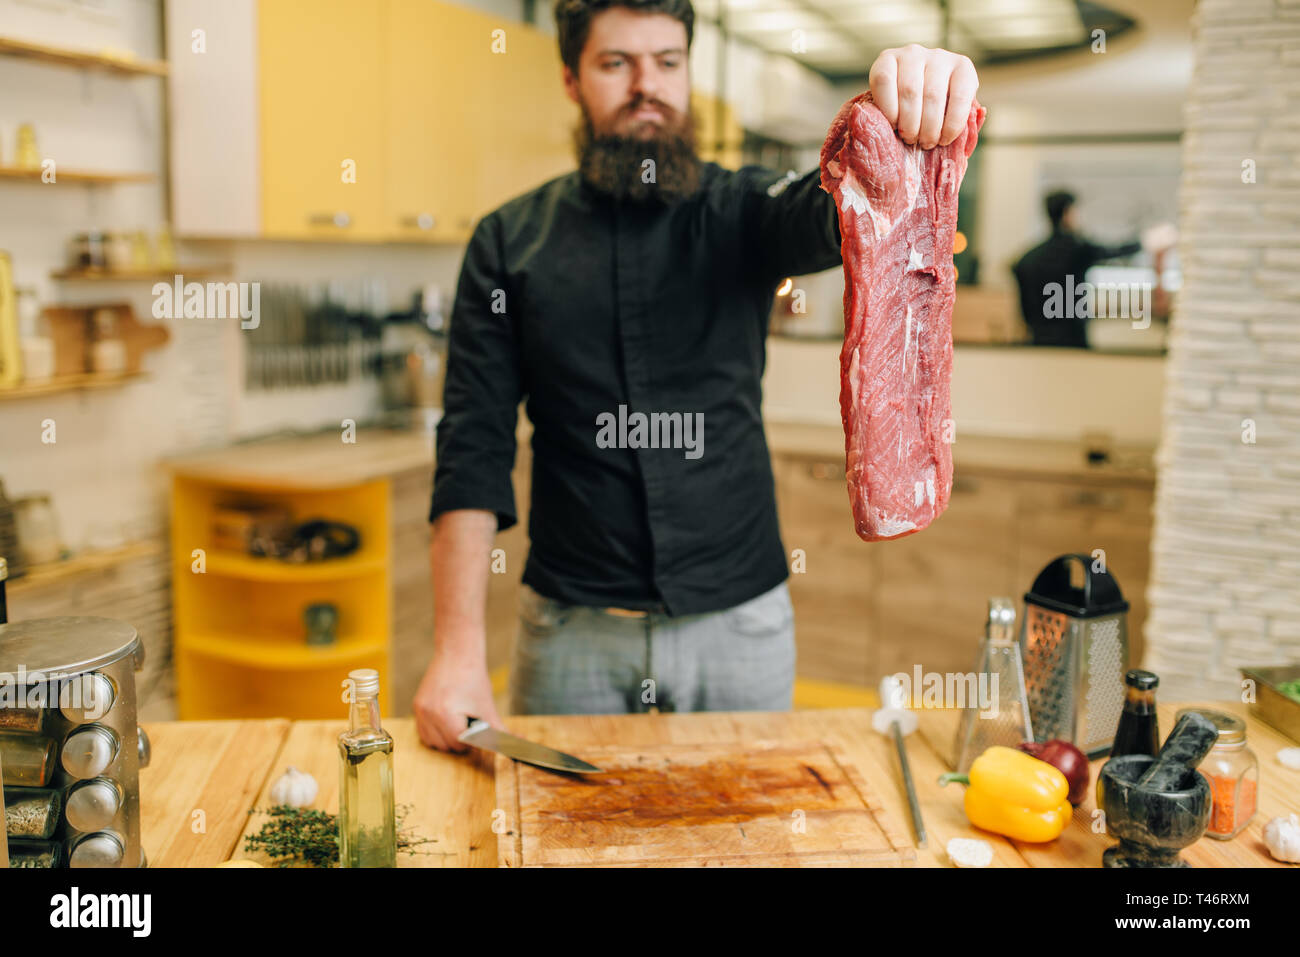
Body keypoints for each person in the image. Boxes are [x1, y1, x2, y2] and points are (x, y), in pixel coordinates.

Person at [412, 0, 980, 752]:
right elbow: (473, 445)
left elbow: (823, 207)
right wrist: (456, 652)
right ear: (571, 80)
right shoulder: (507, 241)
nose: (648, 85)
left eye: (668, 62)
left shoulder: (743, 208)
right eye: (617, 63)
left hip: (739, 625)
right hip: (572, 631)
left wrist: (889, 114)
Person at [1012, 190, 1160, 347]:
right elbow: (1114, 251)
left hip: (1038, 337)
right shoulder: (1077, 249)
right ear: (1067, 214)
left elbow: (1018, 274)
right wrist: (1146, 241)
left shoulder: (1029, 258)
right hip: (1072, 337)